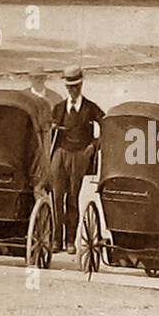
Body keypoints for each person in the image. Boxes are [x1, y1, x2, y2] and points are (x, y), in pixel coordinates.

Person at [50, 66, 104, 255]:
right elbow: (49, 130)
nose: (73, 91)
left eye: (76, 87)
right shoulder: (58, 109)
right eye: (70, 88)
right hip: (61, 155)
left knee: (72, 198)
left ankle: (70, 240)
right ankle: (56, 240)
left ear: (81, 85)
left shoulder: (90, 108)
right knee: (56, 197)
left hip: (79, 156)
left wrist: (93, 146)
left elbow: (107, 126)